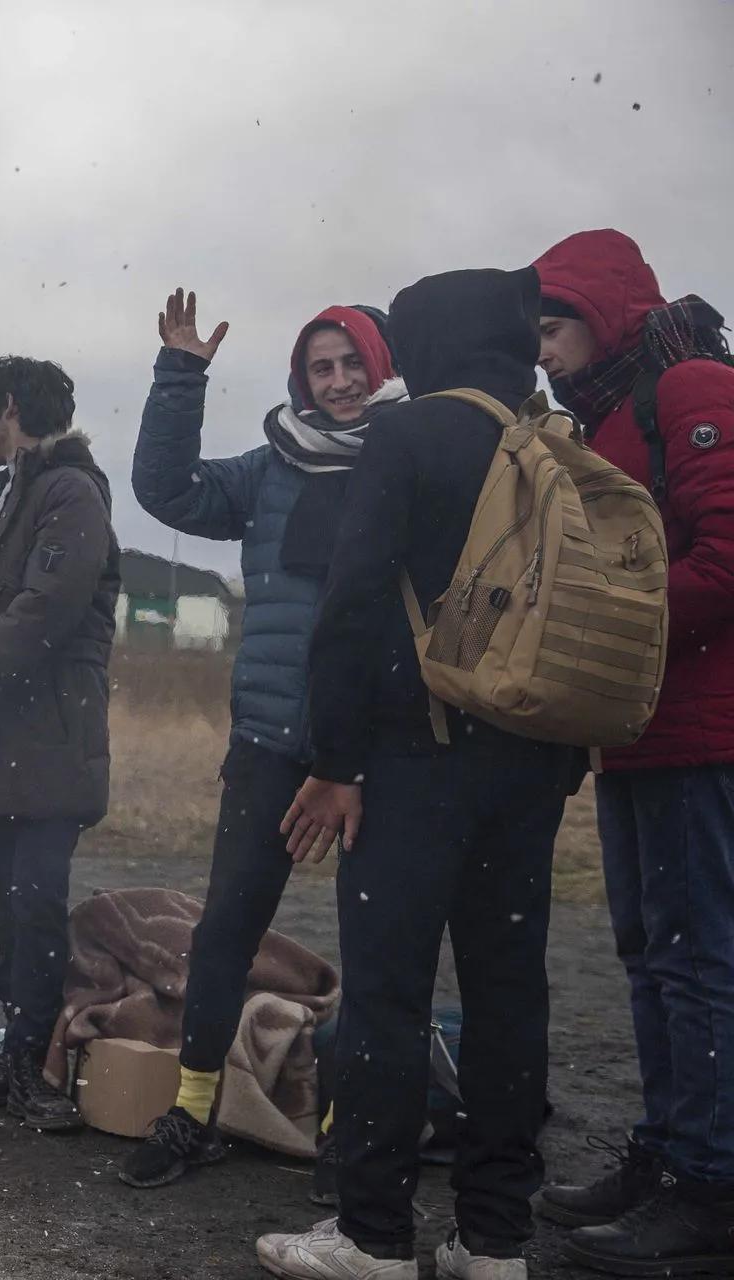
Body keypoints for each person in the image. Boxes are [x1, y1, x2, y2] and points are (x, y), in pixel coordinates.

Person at [255, 267, 579, 1280]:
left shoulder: (410, 436)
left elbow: (352, 606)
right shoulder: (550, 444)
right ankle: (494, 1237)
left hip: (410, 764)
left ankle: (374, 1233)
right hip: (529, 767)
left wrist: (335, 760)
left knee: (391, 996)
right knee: (506, 993)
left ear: (431, 340)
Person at [126, 289, 401, 1192]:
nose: (339, 381)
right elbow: (167, 490)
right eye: (321, 367)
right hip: (272, 736)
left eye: (352, 362)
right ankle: (194, 1110)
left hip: (383, 744)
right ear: (301, 379)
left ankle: (353, 1128)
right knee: (225, 930)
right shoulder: (270, 466)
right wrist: (179, 376)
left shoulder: (413, 459)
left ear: (382, 365)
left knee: (381, 944)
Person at [530, 228, 734, 1273]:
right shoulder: (602, 415)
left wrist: (607, 626)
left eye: (553, 323)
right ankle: (665, 1154)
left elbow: (725, 558)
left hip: (705, 731)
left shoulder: (690, 388)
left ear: (601, 312)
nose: (542, 348)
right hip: (637, 733)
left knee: (700, 959)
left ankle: (710, 1182)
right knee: (650, 955)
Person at [0, 354, 121, 1132]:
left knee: (37, 905)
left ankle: (40, 1068)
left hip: (51, 745)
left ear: (9, 408)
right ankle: (15, 1059)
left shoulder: (72, 493)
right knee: (9, 909)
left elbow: (45, 613)